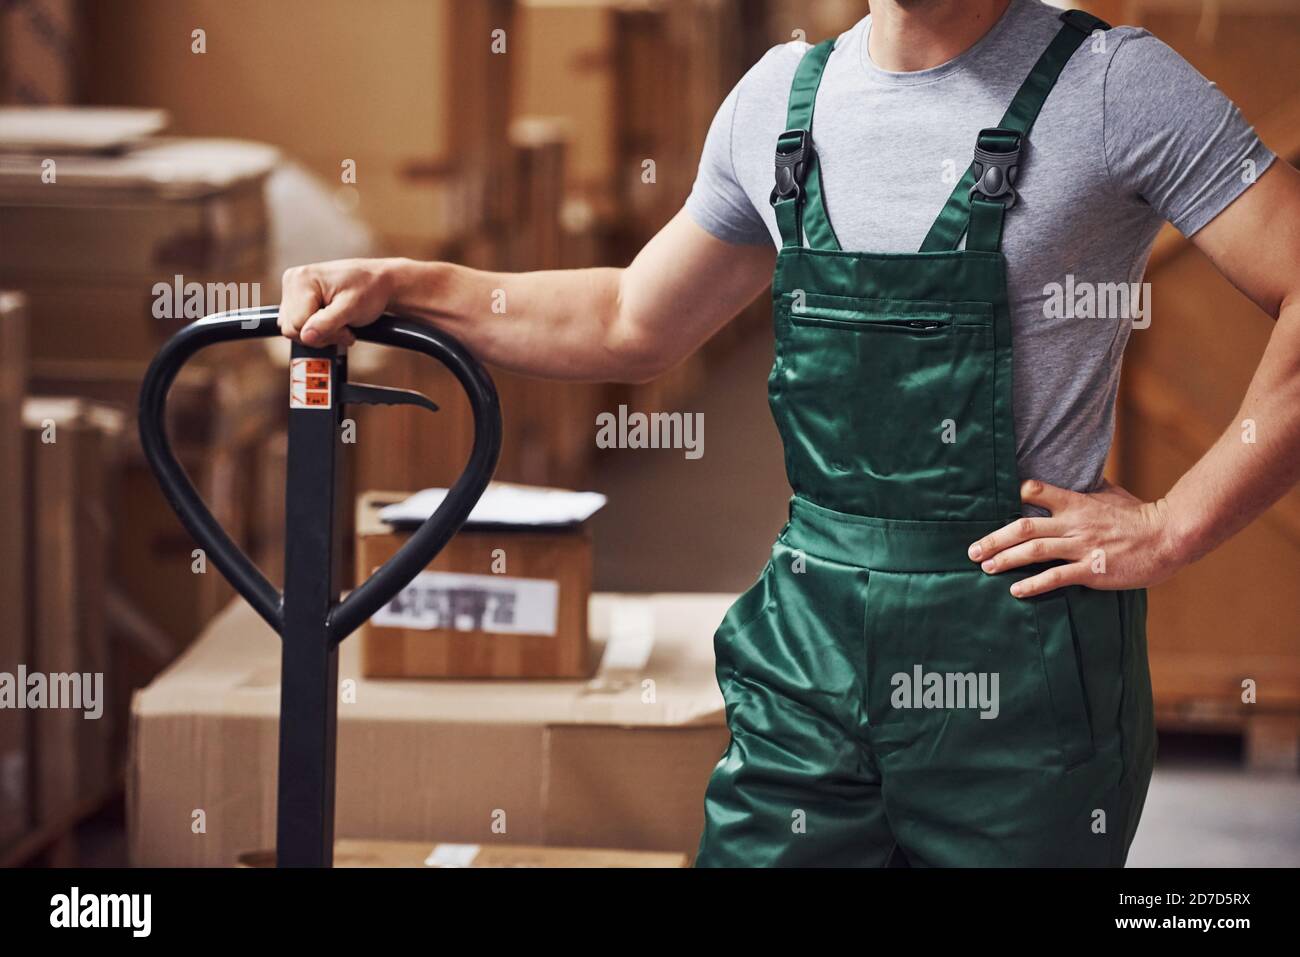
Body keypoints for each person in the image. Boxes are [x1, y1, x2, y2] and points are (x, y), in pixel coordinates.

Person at [278, 0, 1300, 866]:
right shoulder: (780, 100)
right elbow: (631, 320)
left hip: (1022, 671)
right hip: (806, 657)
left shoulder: (1114, 86)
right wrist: (411, 285)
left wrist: (1173, 528)